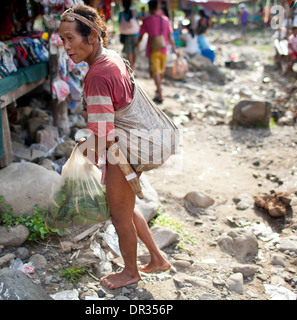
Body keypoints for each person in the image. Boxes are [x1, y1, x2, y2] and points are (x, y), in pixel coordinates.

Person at [58, 4, 171, 290]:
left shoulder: (97, 75)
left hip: (123, 150)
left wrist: (85, 151)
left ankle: (131, 272)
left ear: (92, 36)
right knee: (127, 208)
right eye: (62, 40)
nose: (66, 46)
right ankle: (157, 258)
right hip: (134, 143)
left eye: (71, 38)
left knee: (120, 216)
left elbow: (103, 134)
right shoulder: (112, 58)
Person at [135, 0, 177, 104]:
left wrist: (137, 44)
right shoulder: (165, 19)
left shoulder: (147, 20)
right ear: (158, 8)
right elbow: (169, 37)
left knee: (155, 72)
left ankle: (160, 95)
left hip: (153, 49)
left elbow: (141, 35)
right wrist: (174, 49)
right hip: (164, 49)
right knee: (161, 71)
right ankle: (159, 90)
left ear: (149, 8)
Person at [118, 0, 140, 69]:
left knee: (129, 52)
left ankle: (131, 67)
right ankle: (133, 65)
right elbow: (140, 18)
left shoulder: (121, 14)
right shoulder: (135, 12)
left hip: (126, 35)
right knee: (134, 51)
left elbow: (119, 22)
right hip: (135, 35)